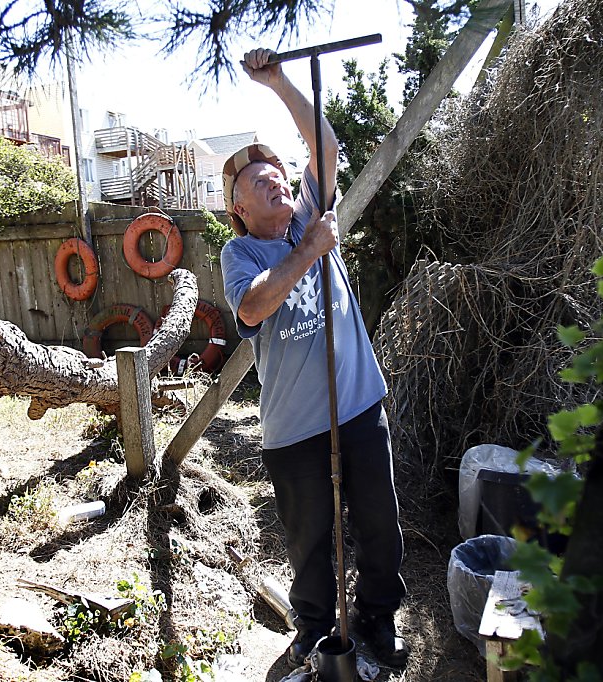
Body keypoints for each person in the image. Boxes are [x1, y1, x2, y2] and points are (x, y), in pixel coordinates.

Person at [219, 48, 409, 669]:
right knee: (310, 543)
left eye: (276, 172)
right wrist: (308, 252)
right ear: (239, 210)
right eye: (256, 181)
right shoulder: (241, 255)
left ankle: (378, 620)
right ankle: (314, 632)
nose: (273, 179)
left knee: (380, 525)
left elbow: (323, 142)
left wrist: (277, 82)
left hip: (356, 405)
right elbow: (252, 309)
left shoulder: (308, 216)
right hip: (294, 429)